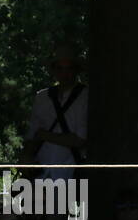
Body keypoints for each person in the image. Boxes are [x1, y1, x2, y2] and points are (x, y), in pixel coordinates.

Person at [21, 44, 88, 183]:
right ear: (54, 71)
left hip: (70, 172)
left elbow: (80, 140)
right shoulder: (42, 97)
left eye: (69, 68)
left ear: (76, 70)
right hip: (40, 172)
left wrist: (44, 135)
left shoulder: (85, 96)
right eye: (60, 68)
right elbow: (32, 134)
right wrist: (26, 157)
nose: (65, 73)